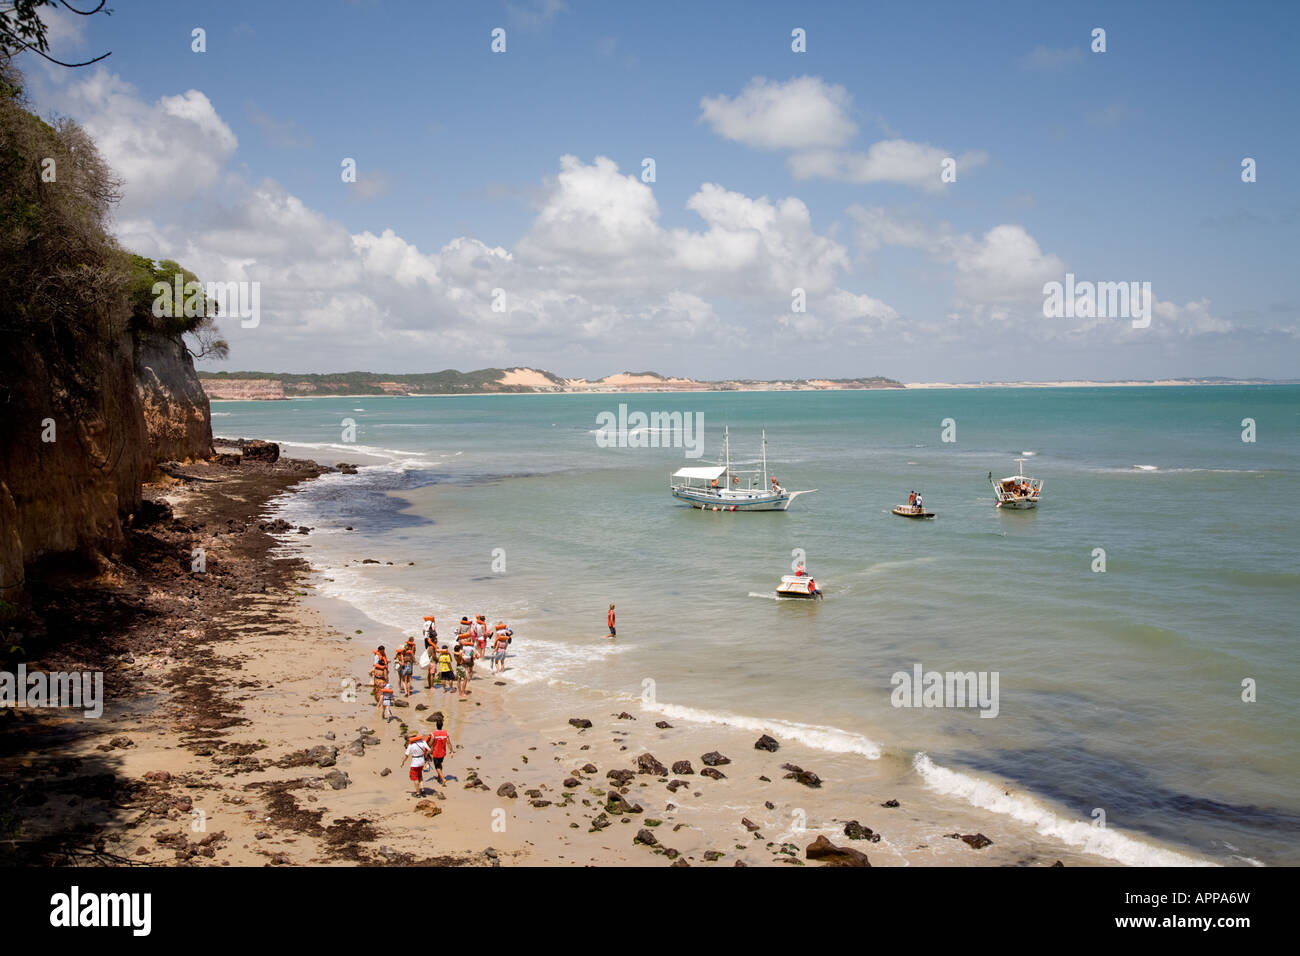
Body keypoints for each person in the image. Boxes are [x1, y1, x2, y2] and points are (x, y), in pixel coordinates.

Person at [428, 718, 453, 786]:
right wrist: (451, 752)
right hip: (443, 753)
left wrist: (426, 750)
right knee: (440, 764)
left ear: (436, 725)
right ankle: (439, 777)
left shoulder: (434, 734)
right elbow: (449, 743)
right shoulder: (445, 733)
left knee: (437, 767)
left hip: (436, 753)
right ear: (442, 725)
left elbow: (430, 743)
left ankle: (443, 779)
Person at [423, 619, 439, 690]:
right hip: (432, 661)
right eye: (436, 639)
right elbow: (433, 655)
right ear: (433, 640)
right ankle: (432, 686)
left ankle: (430, 685)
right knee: (432, 674)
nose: (437, 640)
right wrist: (437, 660)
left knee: (429, 674)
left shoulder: (429, 646)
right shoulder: (432, 647)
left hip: (429, 661)